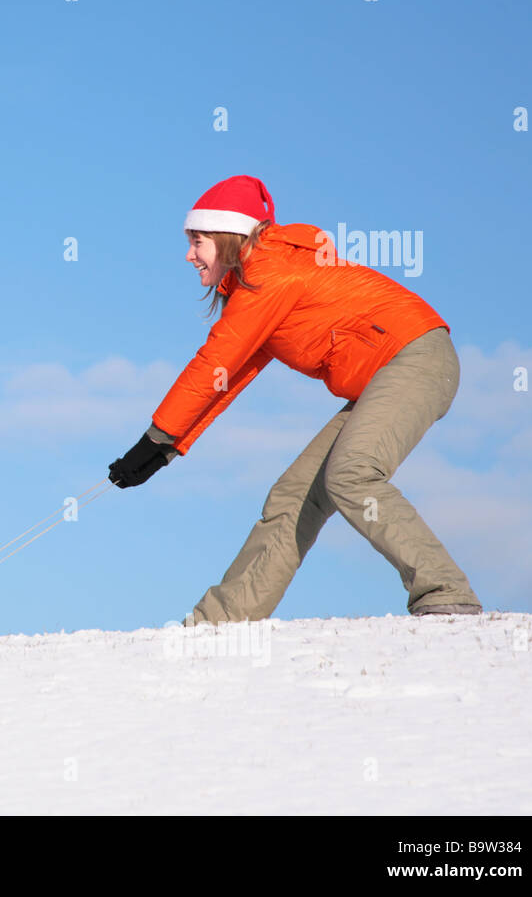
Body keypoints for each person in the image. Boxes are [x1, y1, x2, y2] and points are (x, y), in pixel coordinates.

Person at [108, 175, 482, 623]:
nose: (189, 254)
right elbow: (228, 376)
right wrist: (168, 446)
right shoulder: (258, 284)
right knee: (293, 496)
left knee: (351, 473)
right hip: (386, 374)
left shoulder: (271, 274)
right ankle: (221, 623)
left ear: (229, 237)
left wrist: (153, 438)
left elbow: (213, 362)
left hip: (417, 359)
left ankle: (445, 592)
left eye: (198, 241)